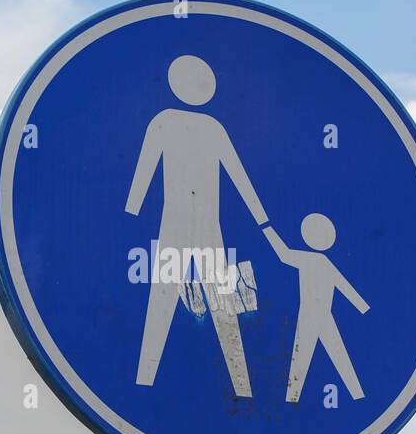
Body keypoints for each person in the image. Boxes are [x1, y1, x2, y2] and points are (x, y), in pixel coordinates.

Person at [126, 55, 268, 397]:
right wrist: (132, 210)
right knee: (167, 292)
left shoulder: (202, 126)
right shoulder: (170, 122)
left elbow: (238, 174)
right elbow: (144, 170)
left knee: (216, 299)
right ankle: (145, 378)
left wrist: (261, 217)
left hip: (205, 224)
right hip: (179, 219)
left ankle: (241, 386)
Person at [262, 213, 369, 403]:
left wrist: (267, 229)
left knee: (304, 356)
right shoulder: (318, 260)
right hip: (317, 313)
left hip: (315, 314)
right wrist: (362, 307)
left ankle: (292, 400)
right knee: (330, 355)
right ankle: (357, 395)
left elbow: (283, 253)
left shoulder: (312, 260)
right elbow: (344, 286)